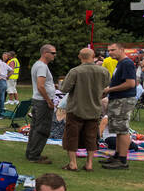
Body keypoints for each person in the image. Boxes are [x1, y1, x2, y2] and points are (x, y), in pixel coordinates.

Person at [58, 46, 108, 172]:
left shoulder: (75, 71)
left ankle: (73, 163)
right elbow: (106, 87)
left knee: (71, 136)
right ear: (93, 57)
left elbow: (64, 89)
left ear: (80, 57)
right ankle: (89, 163)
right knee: (91, 137)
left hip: (76, 108)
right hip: (94, 109)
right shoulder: (103, 71)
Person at [100, 42, 139, 170]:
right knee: (118, 130)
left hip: (123, 100)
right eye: (108, 51)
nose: (110, 53)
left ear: (122, 49)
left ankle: (122, 160)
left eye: (113, 50)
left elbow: (131, 83)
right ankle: (117, 155)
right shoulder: (121, 63)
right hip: (118, 99)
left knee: (122, 129)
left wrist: (109, 90)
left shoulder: (127, 63)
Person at [24, 44, 57, 164]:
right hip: (42, 102)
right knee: (42, 129)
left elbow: (43, 84)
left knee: (35, 128)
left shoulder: (38, 65)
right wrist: (49, 100)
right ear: (45, 53)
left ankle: (31, 153)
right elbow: (40, 86)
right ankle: (34, 156)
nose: (55, 55)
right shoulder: (42, 66)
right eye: (53, 53)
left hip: (38, 100)